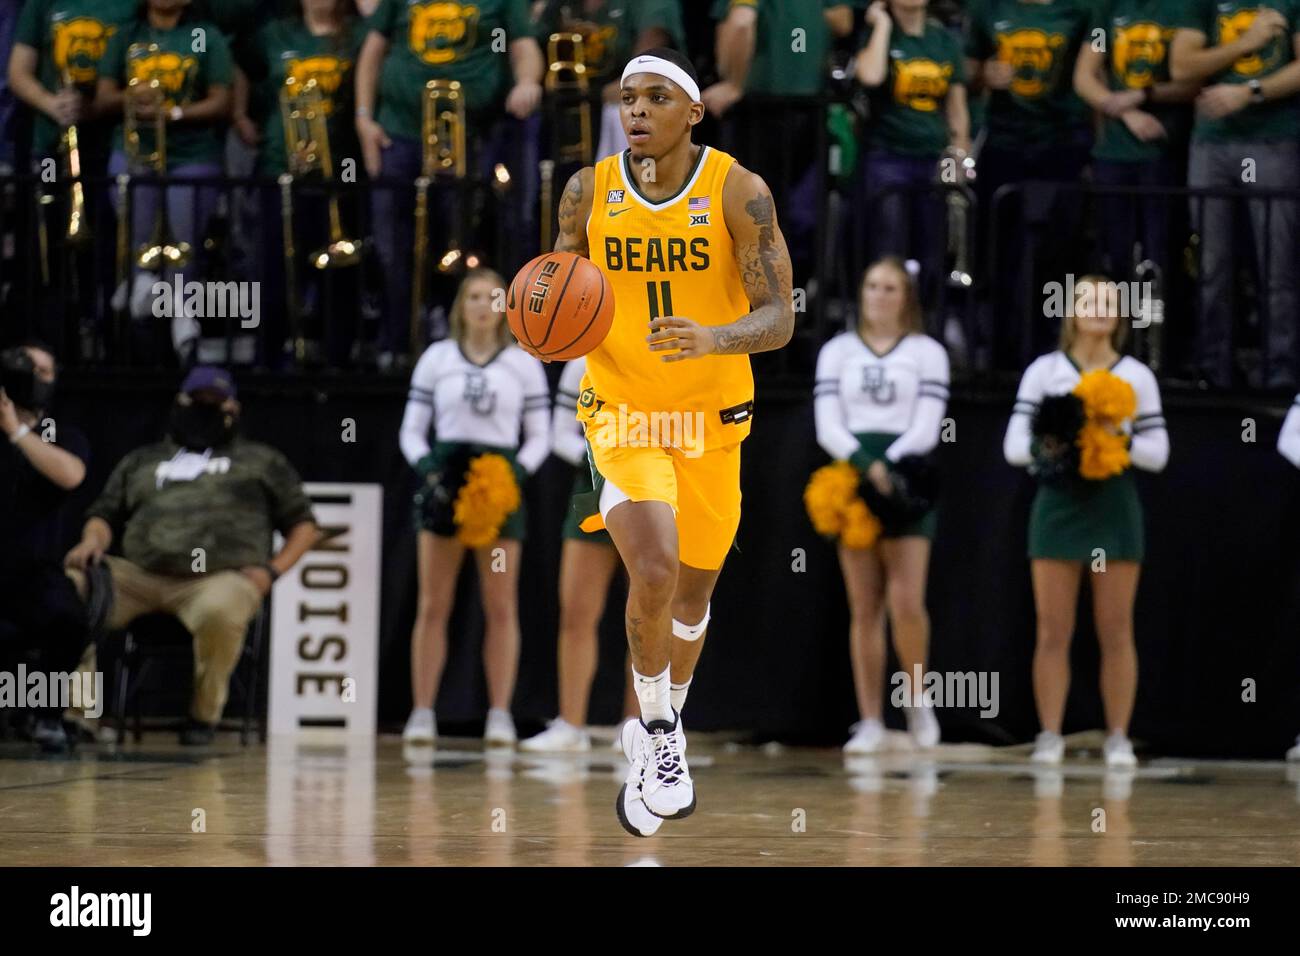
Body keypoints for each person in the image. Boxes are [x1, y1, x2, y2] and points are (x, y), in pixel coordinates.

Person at [536, 48, 795, 836]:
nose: (637, 110)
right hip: (621, 411)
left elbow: (780, 316)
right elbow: (558, 289)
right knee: (649, 568)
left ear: (694, 112)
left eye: (655, 97)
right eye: (626, 98)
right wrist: (537, 323)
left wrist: (714, 338)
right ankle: (655, 732)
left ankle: (664, 721)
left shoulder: (739, 192)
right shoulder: (588, 189)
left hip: (713, 421)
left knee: (692, 598)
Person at [63, 366, 319, 745]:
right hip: (139, 577)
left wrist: (271, 571)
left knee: (223, 606)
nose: (205, 410)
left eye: (214, 404)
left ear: (234, 409)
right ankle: (80, 714)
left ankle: (203, 717)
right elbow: (103, 513)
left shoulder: (262, 461)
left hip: (217, 579)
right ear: (179, 404)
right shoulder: (143, 460)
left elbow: (305, 525)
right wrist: (92, 541)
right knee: (72, 587)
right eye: (197, 403)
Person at [1003, 275, 1169, 768]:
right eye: (1088, 300)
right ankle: (1050, 735)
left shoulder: (1137, 375)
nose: (1099, 308)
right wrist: (1064, 441)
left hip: (1114, 508)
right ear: (1070, 311)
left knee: (1116, 630)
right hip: (1057, 505)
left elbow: (1159, 453)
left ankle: (1118, 737)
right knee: (1053, 630)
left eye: (1109, 302)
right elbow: (1014, 447)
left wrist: (1111, 437)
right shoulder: (1044, 371)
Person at [398, 268, 550, 748]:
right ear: (461, 306)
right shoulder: (437, 358)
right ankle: (422, 711)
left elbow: (541, 433)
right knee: (433, 604)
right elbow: (411, 429)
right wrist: (429, 469)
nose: (484, 305)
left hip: (499, 479)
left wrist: (515, 474)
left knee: (501, 606)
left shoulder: (523, 363)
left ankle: (500, 714)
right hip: (446, 474)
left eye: (493, 298)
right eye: (474, 297)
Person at [354, 0, 543, 366]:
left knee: (457, 242)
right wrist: (364, 118)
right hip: (398, 134)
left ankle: (455, 338)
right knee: (391, 241)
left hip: (468, 134)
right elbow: (373, 51)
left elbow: (525, 48)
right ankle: (397, 341)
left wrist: (527, 82)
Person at [814, 258, 950, 753]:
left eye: (890, 287)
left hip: (907, 480)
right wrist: (863, 463)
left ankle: (917, 705)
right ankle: (870, 719)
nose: (879, 295)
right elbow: (826, 423)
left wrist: (887, 466)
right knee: (864, 605)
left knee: (907, 601)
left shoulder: (927, 352)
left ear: (907, 296)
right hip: (850, 479)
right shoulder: (837, 351)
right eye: (871, 285)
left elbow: (928, 423)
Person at [93, 0, 234, 361]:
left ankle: (182, 304)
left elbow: (221, 100)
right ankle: (142, 274)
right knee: (128, 179)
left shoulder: (204, 36)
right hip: (136, 147)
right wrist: (131, 97)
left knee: (184, 220)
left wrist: (173, 112)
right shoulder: (126, 35)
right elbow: (102, 99)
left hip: (191, 152)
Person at [1171, 2, 1300, 391]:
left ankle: (1280, 373)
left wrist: (1251, 91)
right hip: (1212, 142)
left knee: (1278, 266)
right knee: (1212, 265)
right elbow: (1181, 67)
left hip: (1273, 139)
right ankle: (1215, 371)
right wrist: (1247, 42)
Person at [964, 0, 1095, 367]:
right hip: (1005, 145)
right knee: (1001, 254)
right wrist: (984, 75)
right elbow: (967, 72)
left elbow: (1096, 71)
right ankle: (1002, 356)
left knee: (1058, 253)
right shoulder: (985, 9)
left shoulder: (1082, 11)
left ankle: (1054, 349)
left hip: (1063, 144)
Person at [236, 0, 366, 367]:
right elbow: (243, 66)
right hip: (280, 164)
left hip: (340, 168)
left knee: (339, 268)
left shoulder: (357, 35)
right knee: (274, 267)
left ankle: (336, 358)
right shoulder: (274, 33)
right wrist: (240, 115)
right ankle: (270, 356)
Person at [520, 355, 637, 753]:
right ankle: (570, 725)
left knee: (648, 614)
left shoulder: (663, 352)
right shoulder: (582, 361)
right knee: (577, 612)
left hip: (651, 490)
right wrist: (603, 462)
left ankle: (638, 729)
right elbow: (560, 436)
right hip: (594, 491)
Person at [0, 343, 90, 752]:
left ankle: (46, 715)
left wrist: (16, 432)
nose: (34, 375)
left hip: (32, 570)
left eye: (45, 370)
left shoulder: (61, 433)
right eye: (26, 366)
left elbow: (70, 475)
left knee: (69, 622)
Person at [1072, 0, 1197, 286]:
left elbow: (1194, 80)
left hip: (1165, 150)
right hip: (1113, 152)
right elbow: (1084, 76)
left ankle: (1159, 328)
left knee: (1162, 256)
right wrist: (1126, 111)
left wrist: (1144, 94)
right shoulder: (1108, 11)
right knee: (1116, 256)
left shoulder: (1185, 8)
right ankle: (1123, 328)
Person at [855, 0, 969, 303]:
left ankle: (926, 325)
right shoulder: (877, 34)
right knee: (888, 251)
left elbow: (956, 109)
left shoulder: (944, 40)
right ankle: (880, 324)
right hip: (887, 157)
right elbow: (870, 76)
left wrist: (959, 154)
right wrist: (881, 24)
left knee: (933, 253)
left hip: (932, 159)